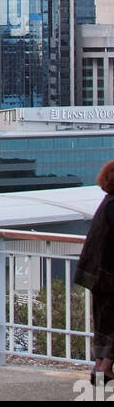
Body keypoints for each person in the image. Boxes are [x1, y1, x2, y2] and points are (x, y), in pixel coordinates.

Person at [75, 158, 114, 385]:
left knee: (102, 319)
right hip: (109, 275)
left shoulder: (107, 201)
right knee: (111, 320)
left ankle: (99, 365)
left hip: (96, 274)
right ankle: (104, 367)